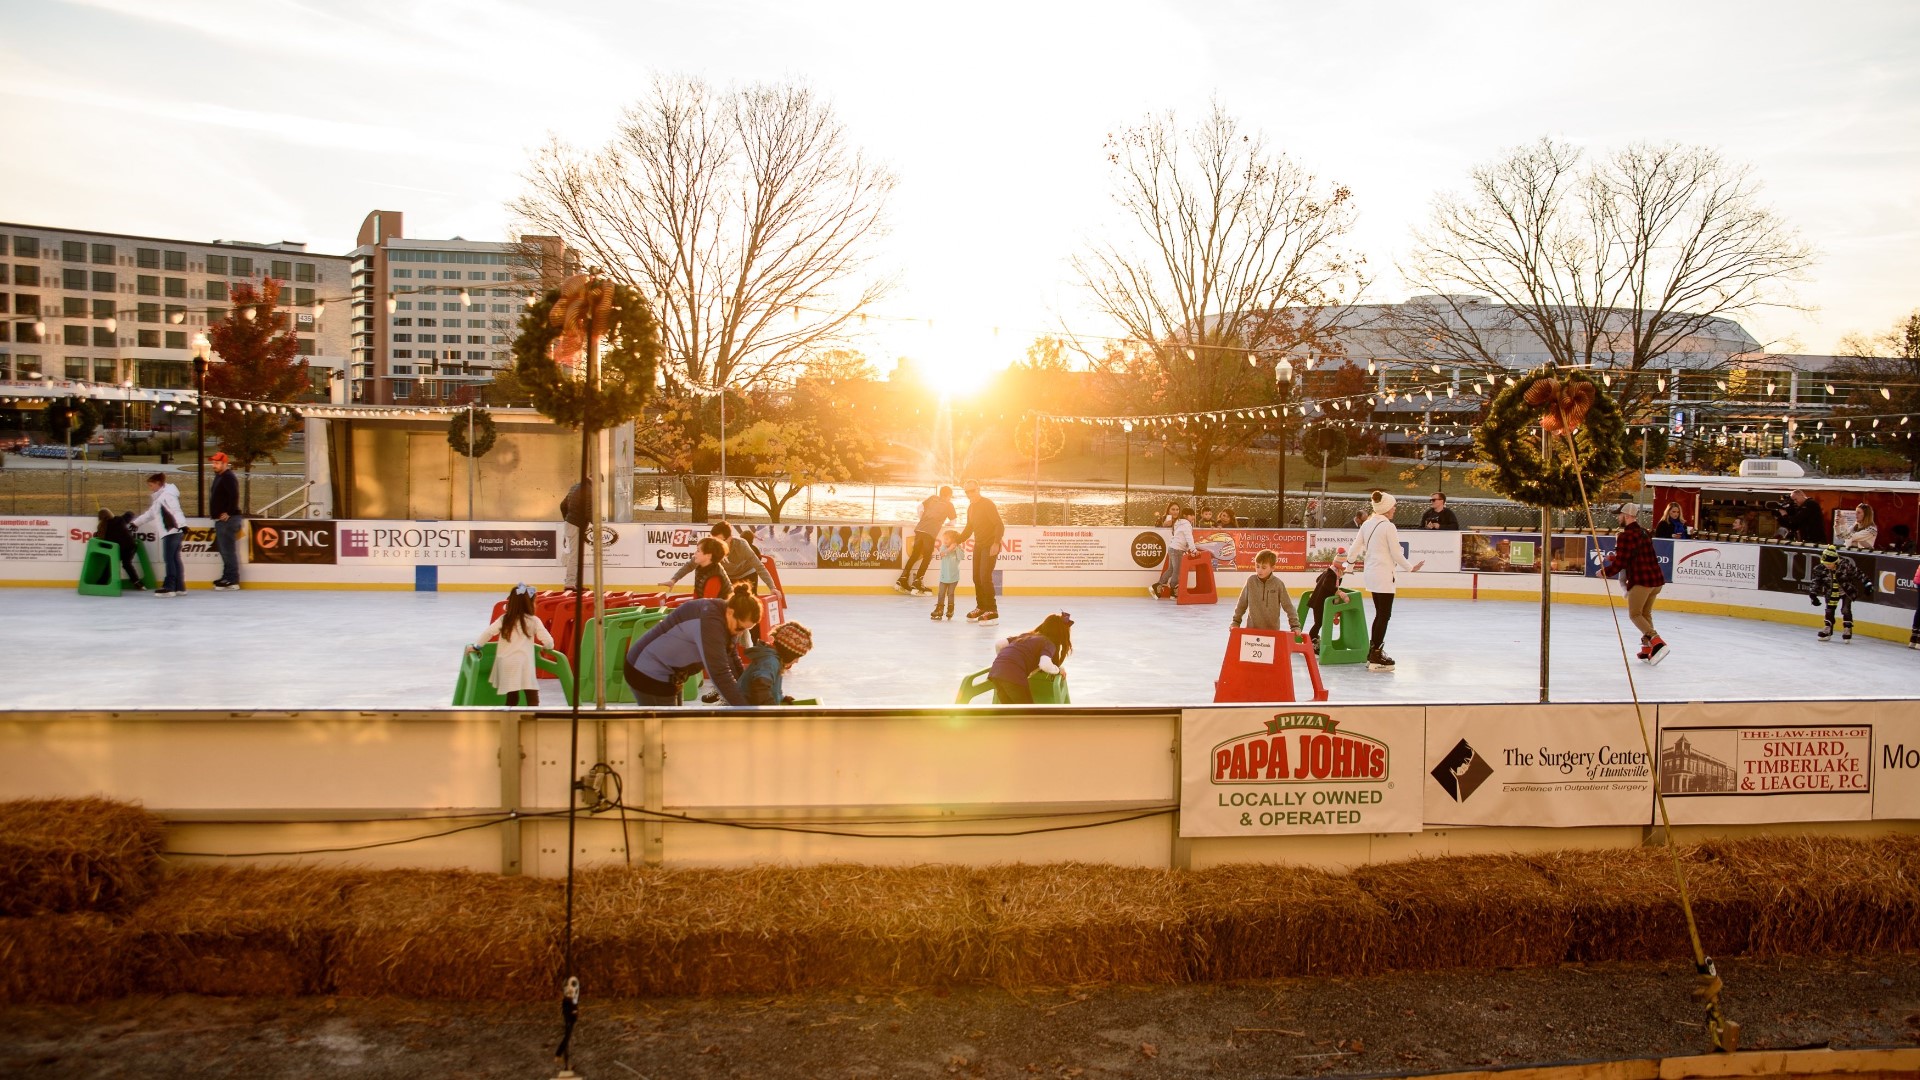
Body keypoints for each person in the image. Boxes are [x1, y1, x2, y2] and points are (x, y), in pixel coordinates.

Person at [622, 584, 762, 706]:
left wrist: (748, 691)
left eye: (745, 630)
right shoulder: (710, 622)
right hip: (647, 671)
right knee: (664, 726)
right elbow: (720, 673)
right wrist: (747, 710)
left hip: (671, 674)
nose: (740, 633)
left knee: (673, 724)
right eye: (740, 628)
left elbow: (731, 658)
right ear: (731, 612)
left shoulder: (726, 617)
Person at [1353, 490, 1423, 670]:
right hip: (1384, 575)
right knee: (1384, 615)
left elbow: (1355, 547)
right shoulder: (1388, 527)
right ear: (1386, 507)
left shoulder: (1367, 524)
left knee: (1380, 614)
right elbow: (1396, 553)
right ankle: (1376, 654)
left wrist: (1347, 566)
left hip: (1371, 574)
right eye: (1393, 506)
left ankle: (1373, 652)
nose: (1395, 509)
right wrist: (1410, 567)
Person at [1599, 501, 1668, 664]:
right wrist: (1613, 558)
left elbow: (1621, 563)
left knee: (1635, 614)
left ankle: (1657, 641)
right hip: (1656, 580)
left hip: (1641, 580)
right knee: (1645, 614)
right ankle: (1648, 648)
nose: (1618, 518)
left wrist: (1604, 572)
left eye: (1620, 515)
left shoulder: (1625, 536)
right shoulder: (1644, 532)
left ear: (1627, 516)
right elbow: (1633, 556)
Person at [469, 584, 556, 706]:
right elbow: (548, 642)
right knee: (532, 696)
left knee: (512, 697)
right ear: (530, 603)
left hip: (505, 663)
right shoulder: (533, 621)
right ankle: (534, 715)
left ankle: (509, 716)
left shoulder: (504, 619)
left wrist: (476, 647)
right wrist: (546, 648)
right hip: (524, 663)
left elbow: (488, 632)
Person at [987, 612, 1073, 704]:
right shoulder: (1048, 643)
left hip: (996, 672)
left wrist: (1005, 663)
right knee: (1028, 710)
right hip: (1013, 676)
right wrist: (1058, 670)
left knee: (1009, 709)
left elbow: (999, 644)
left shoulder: (1026, 636)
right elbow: (1045, 665)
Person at [954, 479, 1005, 624]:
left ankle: (992, 610)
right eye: (967, 492)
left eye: (972, 490)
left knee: (984, 577)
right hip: (979, 545)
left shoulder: (987, 504)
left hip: (990, 545)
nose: (970, 494)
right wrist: (956, 541)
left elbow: (999, 524)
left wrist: (996, 543)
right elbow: (969, 529)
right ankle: (981, 607)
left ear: (978, 489)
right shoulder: (971, 508)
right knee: (976, 577)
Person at [130, 472, 187, 597]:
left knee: (169, 559)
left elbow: (175, 510)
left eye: (151, 485)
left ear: (158, 483)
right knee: (174, 559)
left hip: (171, 531)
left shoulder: (167, 495)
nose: (150, 488)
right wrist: (136, 523)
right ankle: (179, 587)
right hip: (173, 531)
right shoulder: (160, 497)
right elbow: (150, 514)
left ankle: (169, 587)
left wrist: (182, 524)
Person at [1806, 545, 1871, 643]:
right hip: (1831, 592)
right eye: (1825, 563)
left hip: (1846, 591)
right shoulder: (1820, 569)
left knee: (1845, 609)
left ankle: (1847, 628)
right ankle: (1828, 628)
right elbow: (1815, 582)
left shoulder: (1845, 566)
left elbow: (1858, 573)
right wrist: (1813, 595)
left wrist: (1867, 584)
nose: (1827, 565)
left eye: (1829, 564)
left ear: (1835, 561)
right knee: (1829, 610)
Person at [897, 486, 955, 595]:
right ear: (949, 496)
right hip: (930, 532)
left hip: (920, 529)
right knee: (927, 556)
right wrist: (944, 524)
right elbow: (953, 522)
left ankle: (902, 579)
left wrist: (922, 519)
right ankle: (918, 582)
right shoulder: (949, 505)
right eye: (950, 497)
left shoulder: (933, 498)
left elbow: (919, 507)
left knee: (915, 555)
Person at [742, 621, 813, 706]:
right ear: (788, 653)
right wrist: (773, 710)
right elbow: (761, 687)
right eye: (796, 657)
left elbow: (771, 689)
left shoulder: (775, 660)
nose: (797, 661)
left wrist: (781, 697)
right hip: (746, 708)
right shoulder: (770, 662)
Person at [1231, 549, 1299, 633]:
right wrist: (1235, 622)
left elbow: (1288, 607)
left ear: (1272, 568)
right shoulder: (1251, 581)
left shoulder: (1278, 584)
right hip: (1252, 630)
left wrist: (1295, 626)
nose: (1259, 570)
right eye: (1257, 566)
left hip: (1272, 631)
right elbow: (1241, 604)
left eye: (1263, 567)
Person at [208, 451, 242, 590]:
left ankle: (232, 579)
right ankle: (227, 576)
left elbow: (234, 495)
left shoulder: (228, 477)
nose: (214, 465)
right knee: (224, 551)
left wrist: (229, 512)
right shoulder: (220, 476)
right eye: (213, 462)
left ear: (225, 463)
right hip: (221, 520)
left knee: (227, 551)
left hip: (228, 521)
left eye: (217, 463)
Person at [1304, 554, 1354, 645]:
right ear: (1339, 564)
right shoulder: (1331, 574)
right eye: (1344, 565)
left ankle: (1313, 637)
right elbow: (1327, 585)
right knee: (1319, 622)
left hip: (1317, 601)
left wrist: (1339, 577)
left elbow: (1318, 579)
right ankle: (1312, 638)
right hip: (1320, 602)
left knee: (1319, 622)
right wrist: (1339, 592)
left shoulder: (1329, 571)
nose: (1345, 567)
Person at [711, 522, 773, 593]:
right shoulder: (711, 546)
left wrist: (772, 588)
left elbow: (759, 566)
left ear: (730, 537)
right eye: (715, 541)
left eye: (721, 541)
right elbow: (701, 564)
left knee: (749, 599)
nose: (717, 545)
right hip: (728, 576)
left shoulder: (741, 545)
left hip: (747, 573)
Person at [665, 537, 734, 598]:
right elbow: (697, 594)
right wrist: (673, 580)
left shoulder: (715, 576)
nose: (695, 553)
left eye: (698, 551)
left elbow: (707, 603)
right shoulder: (701, 566)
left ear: (708, 556)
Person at [95, 509, 144, 590]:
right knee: (127, 564)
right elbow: (130, 513)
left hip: (119, 549)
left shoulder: (103, 528)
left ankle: (101, 583)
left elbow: (102, 542)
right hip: (131, 546)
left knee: (111, 564)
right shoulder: (120, 519)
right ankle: (137, 582)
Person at [1153, 506, 1195, 600]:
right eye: (1191, 515)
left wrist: (1188, 548)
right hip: (1177, 550)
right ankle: (1173, 591)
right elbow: (1189, 538)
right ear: (1185, 515)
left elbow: (1180, 537)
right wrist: (1193, 550)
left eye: (1194, 515)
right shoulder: (1186, 524)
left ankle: (1158, 585)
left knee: (1171, 570)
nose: (1193, 517)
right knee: (1177, 571)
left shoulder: (1178, 523)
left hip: (1172, 548)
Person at [559, 478, 593, 590]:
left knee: (576, 555)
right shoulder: (589, 490)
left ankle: (576, 583)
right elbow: (589, 510)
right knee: (575, 556)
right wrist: (596, 522)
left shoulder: (574, 487)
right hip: (576, 525)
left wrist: (567, 519)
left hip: (571, 524)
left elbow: (563, 505)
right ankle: (570, 584)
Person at [929, 527, 963, 621]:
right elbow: (942, 554)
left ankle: (950, 610)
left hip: (954, 577)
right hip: (944, 577)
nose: (944, 541)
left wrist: (956, 549)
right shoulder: (943, 547)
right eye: (944, 539)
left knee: (950, 594)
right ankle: (939, 609)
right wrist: (950, 549)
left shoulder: (958, 548)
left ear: (953, 540)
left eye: (947, 539)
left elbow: (961, 557)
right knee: (941, 593)